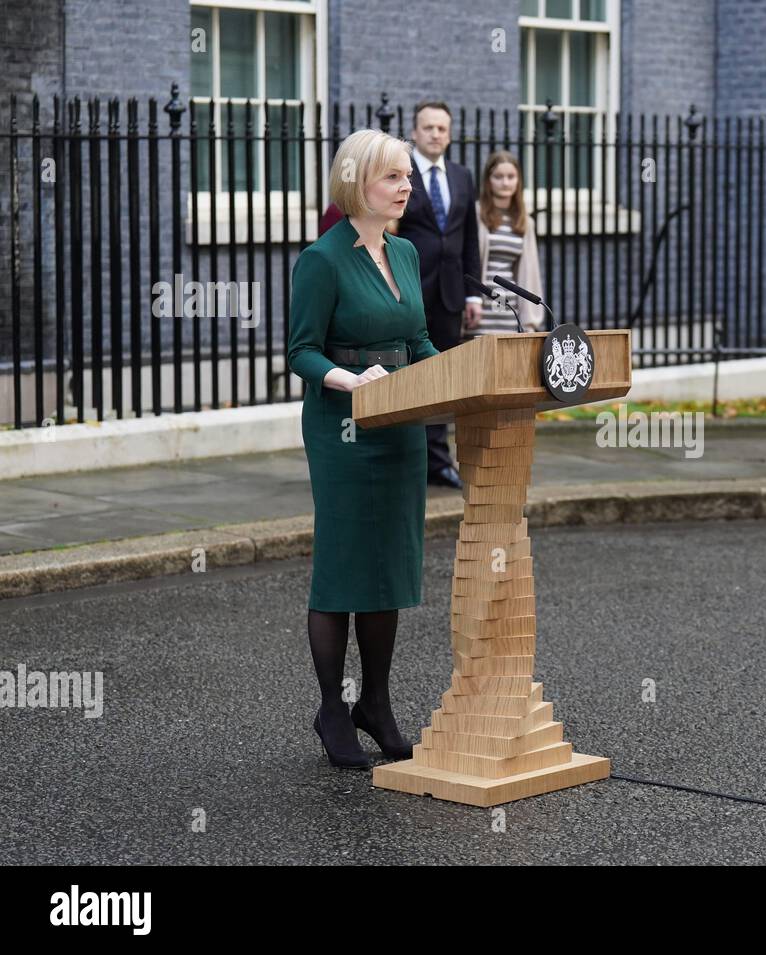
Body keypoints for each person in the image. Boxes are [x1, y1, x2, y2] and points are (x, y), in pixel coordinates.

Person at [287, 128, 437, 770]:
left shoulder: (403, 253)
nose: (405, 187)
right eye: (392, 177)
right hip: (344, 429)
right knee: (346, 562)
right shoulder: (321, 259)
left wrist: (460, 380)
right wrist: (353, 382)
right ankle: (330, 706)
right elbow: (301, 351)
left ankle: (374, 703)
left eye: (407, 176)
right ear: (356, 183)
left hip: (401, 425)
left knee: (388, 565)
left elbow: (420, 337)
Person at [397, 99, 482, 489]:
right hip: (410, 290)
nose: (435, 134)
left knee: (444, 374)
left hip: (450, 295)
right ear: (414, 132)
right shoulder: (400, 173)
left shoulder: (463, 176)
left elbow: (468, 239)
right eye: (428, 127)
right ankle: (409, 455)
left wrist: (473, 294)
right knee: (409, 373)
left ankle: (438, 458)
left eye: (442, 128)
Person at [464, 149, 545, 340]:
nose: (505, 182)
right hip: (479, 309)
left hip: (510, 308)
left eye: (511, 176)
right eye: (498, 176)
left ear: (518, 180)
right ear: (488, 180)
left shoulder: (525, 221)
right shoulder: (476, 214)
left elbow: (529, 273)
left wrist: (529, 322)